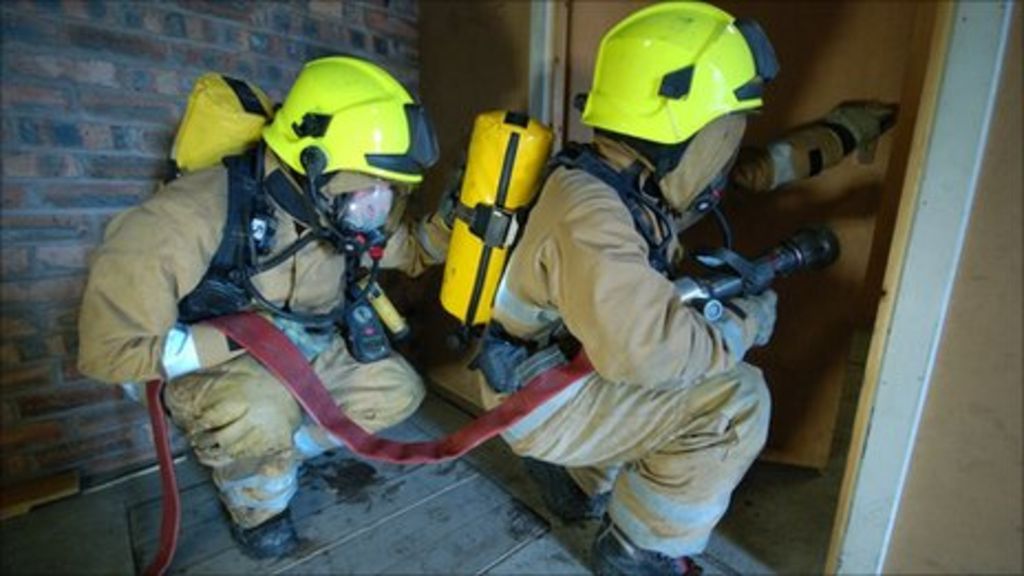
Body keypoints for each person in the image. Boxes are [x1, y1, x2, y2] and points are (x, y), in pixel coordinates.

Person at [78, 56, 450, 558]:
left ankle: (277, 456)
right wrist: (232, 340)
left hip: (306, 348)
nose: (376, 205)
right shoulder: (190, 214)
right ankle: (256, 503)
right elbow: (109, 351)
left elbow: (408, 249)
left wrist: (462, 224)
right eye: (368, 186)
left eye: (388, 189)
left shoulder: (337, 205)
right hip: (217, 365)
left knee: (397, 390)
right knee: (258, 412)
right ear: (313, 164)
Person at [474, 3, 782, 574]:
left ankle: (577, 477)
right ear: (688, 129)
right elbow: (653, 354)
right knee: (736, 401)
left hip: (547, 375)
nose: (727, 149)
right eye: (725, 132)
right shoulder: (592, 214)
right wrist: (745, 323)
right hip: (540, 395)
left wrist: (839, 138)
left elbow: (738, 178)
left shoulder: (619, 185)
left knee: (680, 360)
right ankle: (639, 551)